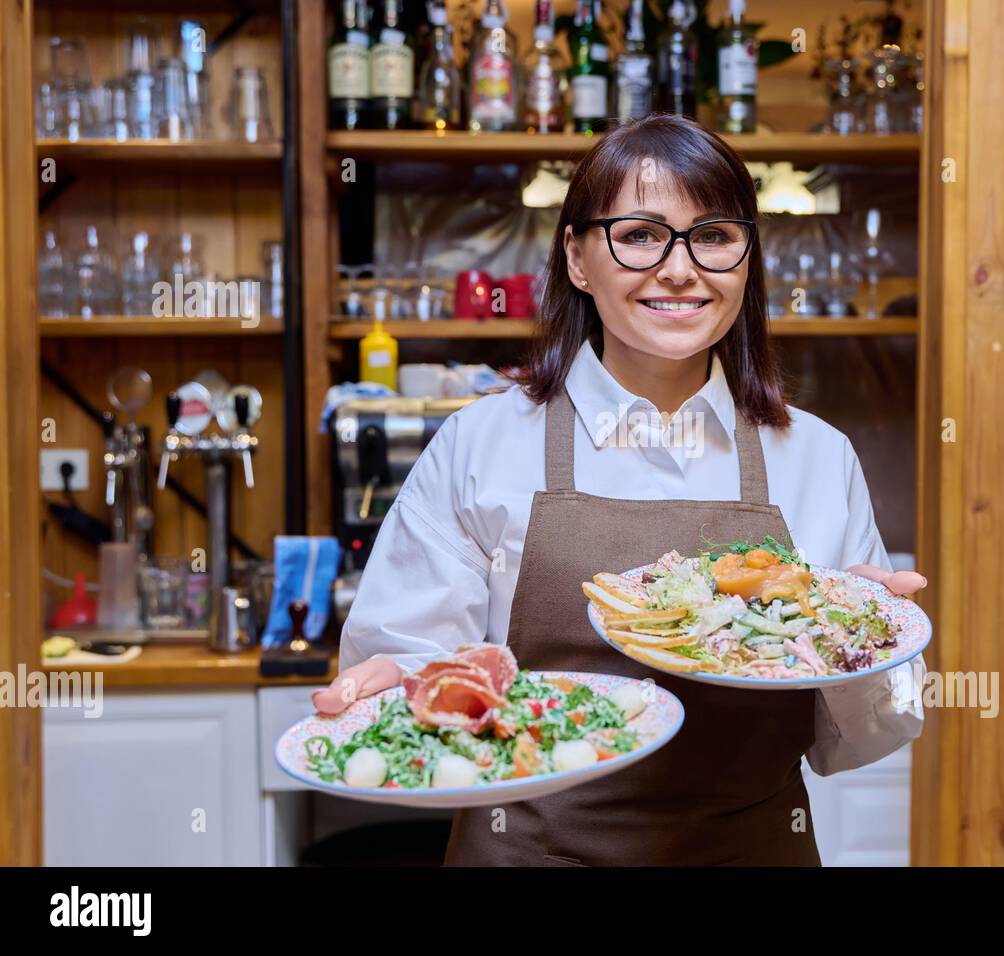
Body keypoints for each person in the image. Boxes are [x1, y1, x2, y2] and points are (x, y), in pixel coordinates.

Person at [315, 114, 927, 866]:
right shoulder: (482, 443)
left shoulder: (817, 457)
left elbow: (864, 738)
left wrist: (862, 640)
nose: (679, 268)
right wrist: (393, 688)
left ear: (746, 258)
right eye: (639, 235)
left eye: (713, 236)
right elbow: (410, 671)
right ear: (576, 257)